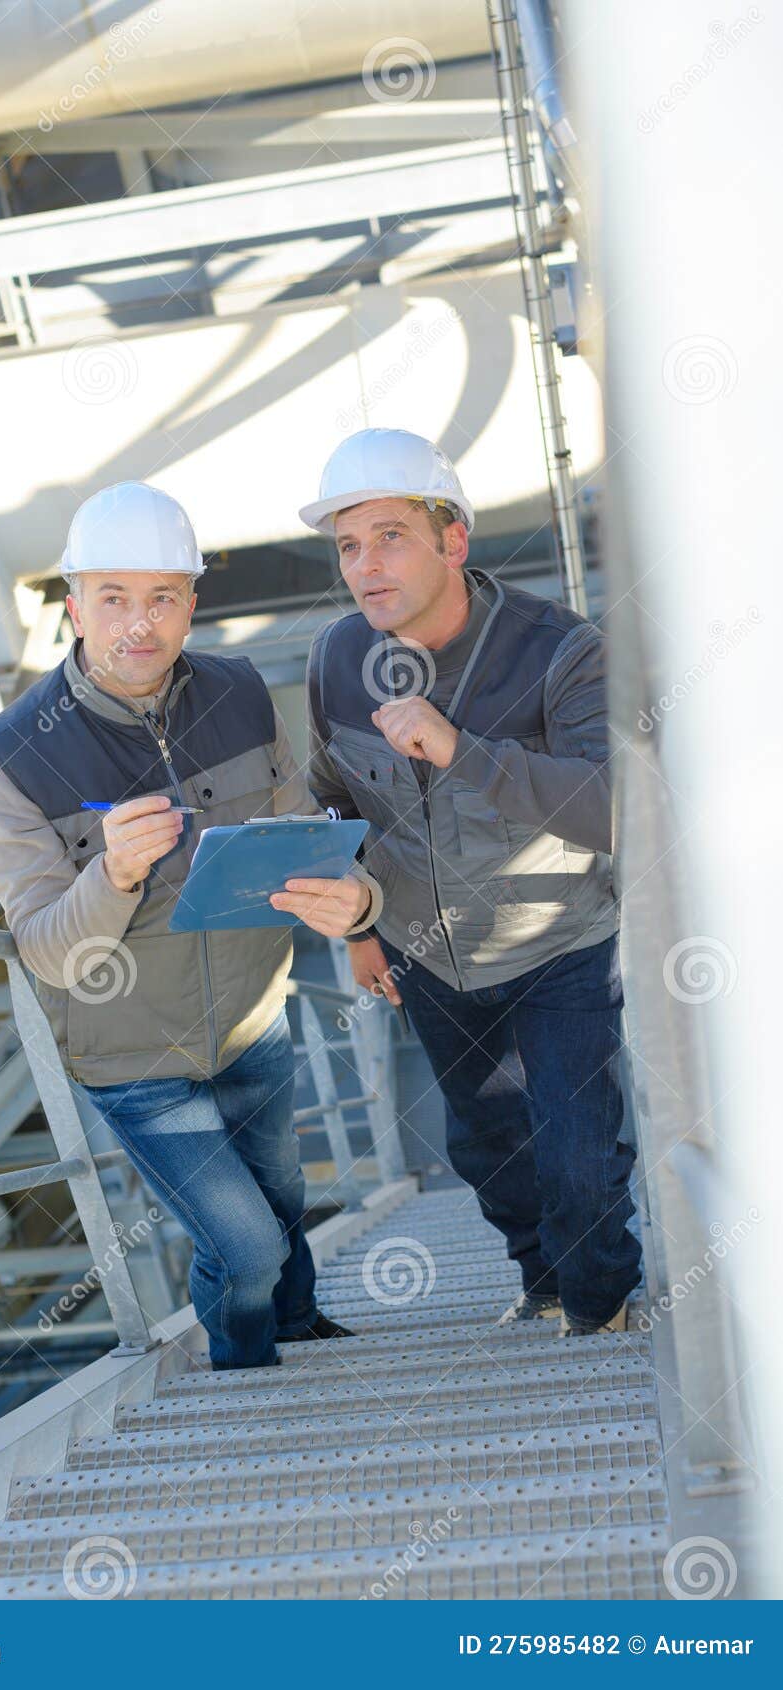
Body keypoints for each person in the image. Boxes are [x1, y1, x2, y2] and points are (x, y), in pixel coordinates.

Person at [0, 481, 383, 1370]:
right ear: (74, 607)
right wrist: (113, 874)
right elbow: (48, 951)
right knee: (246, 1247)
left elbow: (294, 822)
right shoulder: (8, 757)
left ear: (192, 603)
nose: (138, 623)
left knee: (282, 1200)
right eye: (113, 598)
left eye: (162, 597)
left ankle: (299, 1328)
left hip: (254, 1019)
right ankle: (245, 1371)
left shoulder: (240, 692)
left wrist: (347, 896)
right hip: (137, 1060)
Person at [300, 427, 642, 1337]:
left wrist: (462, 751)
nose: (365, 567)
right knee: (489, 1151)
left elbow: (617, 809)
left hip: (560, 948)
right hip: (428, 957)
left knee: (578, 1156)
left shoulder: (558, 651)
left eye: (390, 537)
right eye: (348, 546)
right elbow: (333, 795)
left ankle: (603, 1308)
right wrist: (362, 925)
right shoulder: (336, 659)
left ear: (453, 540)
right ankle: (546, 1284)